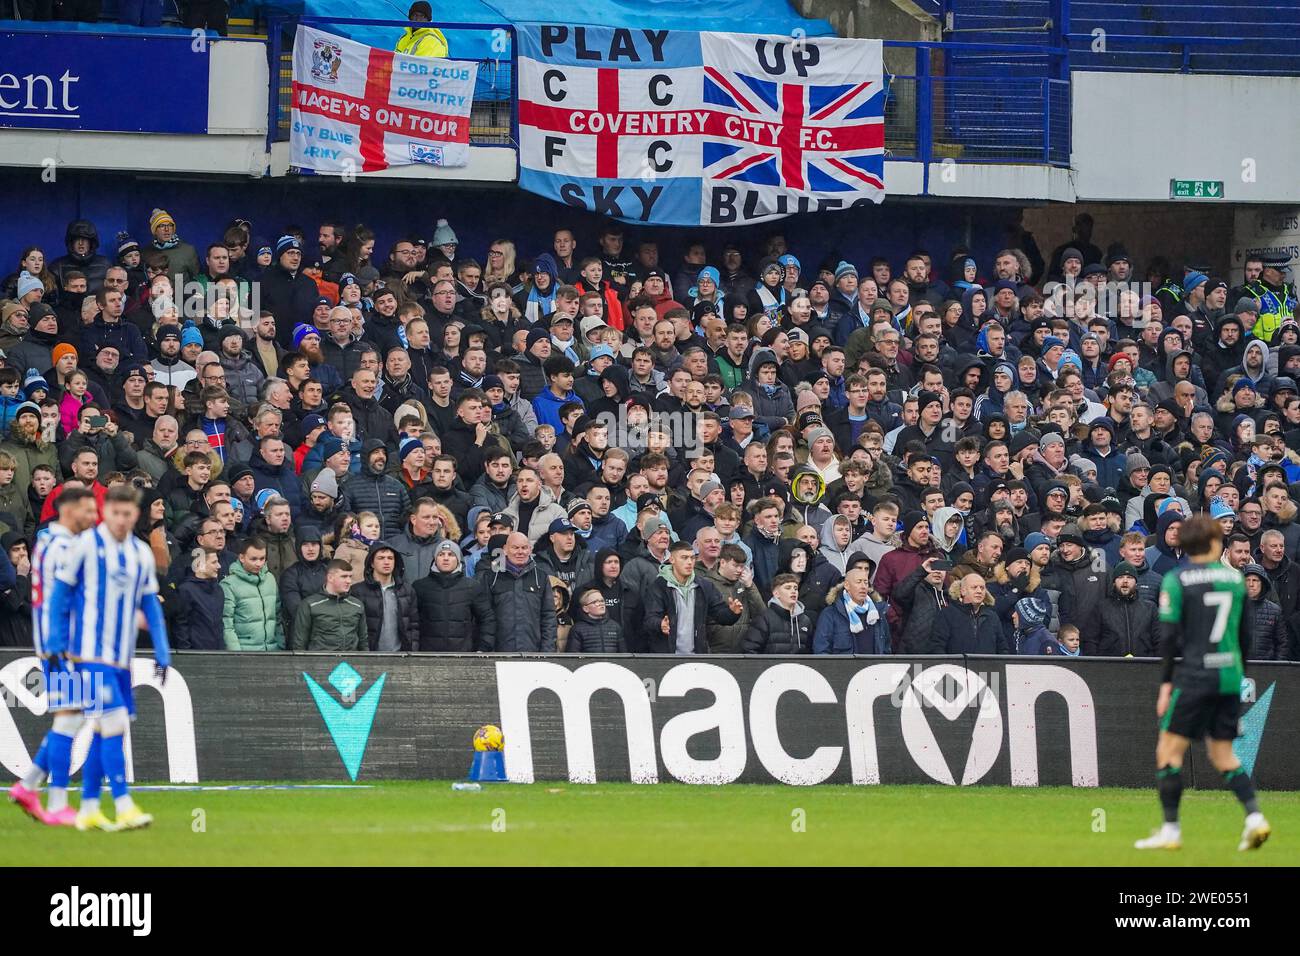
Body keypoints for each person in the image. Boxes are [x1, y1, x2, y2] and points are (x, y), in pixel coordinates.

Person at [1135, 514, 1270, 852]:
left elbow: (1168, 639)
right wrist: (1239, 675)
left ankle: (1171, 829)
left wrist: (1166, 684)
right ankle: (1254, 818)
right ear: (1214, 543)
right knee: (1223, 755)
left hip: (1195, 676)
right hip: (1229, 677)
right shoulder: (1235, 579)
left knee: (1168, 752)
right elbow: (1245, 636)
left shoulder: (1176, 580)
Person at [43, 485, 170, 832]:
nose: (121, 520)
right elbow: (59, 595)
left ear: (135, 515)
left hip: (121, 657)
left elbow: (149, 604)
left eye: (128, 514)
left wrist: (161, 648)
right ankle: (124, 803)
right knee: (113, 722)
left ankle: (87, 807)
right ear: (106, 511)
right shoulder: (85, 545)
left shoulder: (141, 553)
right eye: (115, 513)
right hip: (87, 654)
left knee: (104, 729)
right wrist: (54, 643)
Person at [7, 487, 98, 826]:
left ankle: (30, 786)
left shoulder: (48, 542)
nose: (92, 517)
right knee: (70, 717)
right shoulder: (62, 546)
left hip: (57, 640)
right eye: (87, 510)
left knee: (72, 717)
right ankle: (54, 800)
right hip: (64, 643)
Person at [413, 539, 497, 651]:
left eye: (451, 554)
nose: (446, 558)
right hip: (427, 656)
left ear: (458, 559)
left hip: (463, 656)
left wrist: (483, 647)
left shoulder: (472, 587)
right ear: (435, 559)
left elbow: (487, 619)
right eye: (441, 554)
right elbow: (412, 623)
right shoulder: (420, 587)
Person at [349, 545, 419, 651]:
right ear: (371, 563)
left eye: (390, 558)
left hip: (401, 656)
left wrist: (412, 651)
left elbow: (414, 625)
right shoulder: (357, 591)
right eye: (381, 558)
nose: (386, 562)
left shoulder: (407, 590)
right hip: (369, 657)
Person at [221, 537, 286, 651]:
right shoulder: (229, 584)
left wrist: (280, 645)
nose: (259, 563)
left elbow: (277, 616)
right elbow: (227, 624)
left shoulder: (270, 578)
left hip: (273, 652)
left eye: (262, 559)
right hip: (244, 654)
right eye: (254, 559)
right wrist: (236, 654)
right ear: (241, 557)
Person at [292, 559, 368, 652]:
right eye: (344, 576)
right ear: (330, 578)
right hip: (320, 663)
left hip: (350, 663)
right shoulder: (310, 604)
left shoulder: (357, 605)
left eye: (350, 577)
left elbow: (364, 641)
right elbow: (300, 643)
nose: (348, 581)